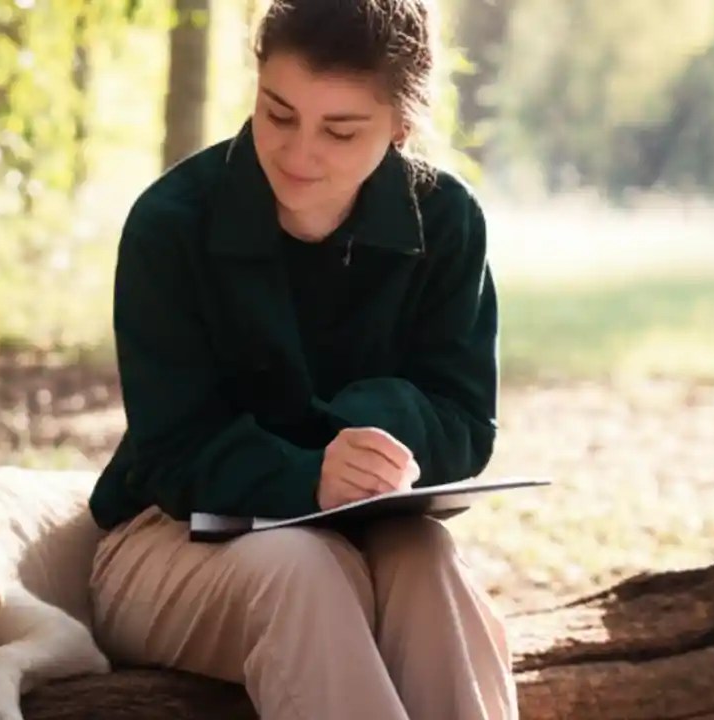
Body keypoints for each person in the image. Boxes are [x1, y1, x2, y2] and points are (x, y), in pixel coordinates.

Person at [85, 0, 515, 718]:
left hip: (369, 538)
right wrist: (312, 472)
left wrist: (379, 443)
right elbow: (172, 454)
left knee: (426, 558)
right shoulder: (171, 225)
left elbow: (466, 422)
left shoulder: (446, 221)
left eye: (340, 130)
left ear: (399, 129)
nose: (296, 153)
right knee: (305, 571)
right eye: (277, 114)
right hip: (166, 538)